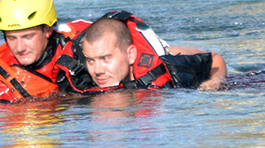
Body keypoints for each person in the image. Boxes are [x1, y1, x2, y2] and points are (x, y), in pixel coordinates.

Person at [0, 0, 91, 102]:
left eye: (28, 37)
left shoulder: (82, 38)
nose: (19, 48)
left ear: (47, 30)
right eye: (12, 38)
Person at [56, 11, 227, 92]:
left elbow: (214, 58)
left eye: (106, 58)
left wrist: (217, 80)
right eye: (91, 61)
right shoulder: (81, 79)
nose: (97, 70)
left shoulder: (164, 61)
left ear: (130, 54)